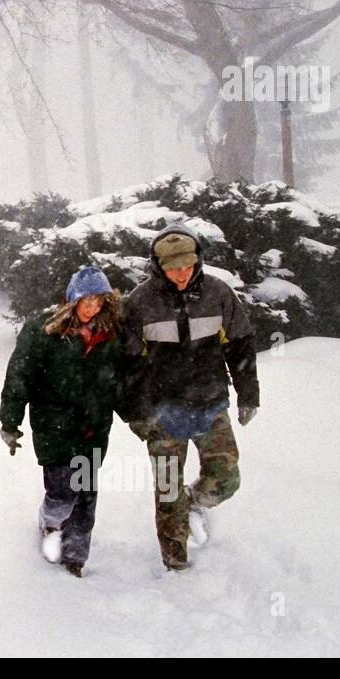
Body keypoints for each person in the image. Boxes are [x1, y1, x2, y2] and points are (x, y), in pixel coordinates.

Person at [121, 221, 260, 571]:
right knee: (168, 492)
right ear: (158, 267)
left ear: (197, 261)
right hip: (163, 415)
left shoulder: (218, 294)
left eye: (187, 266)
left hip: (210, 405)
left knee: (226, 479)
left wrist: (248, 395)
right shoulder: (139, 304)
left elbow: (241, 344)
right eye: (172, 269)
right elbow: (125, 367)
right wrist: (136, 415)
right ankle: (176, 564)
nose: (181, 275)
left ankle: (193, 502)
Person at [0, 265, 124, 578]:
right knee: (63, 495)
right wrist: (10, 422)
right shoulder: (44, 330)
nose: (92, 307)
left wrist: (141, 417)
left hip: (93, 429)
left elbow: (122, 383)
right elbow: (19, 376)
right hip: (54, 428)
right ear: (71, 300)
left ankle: (74, 559)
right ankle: (49, 520)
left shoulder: (110, 335)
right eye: (86, 300)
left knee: (85, 497)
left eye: (99, 301)